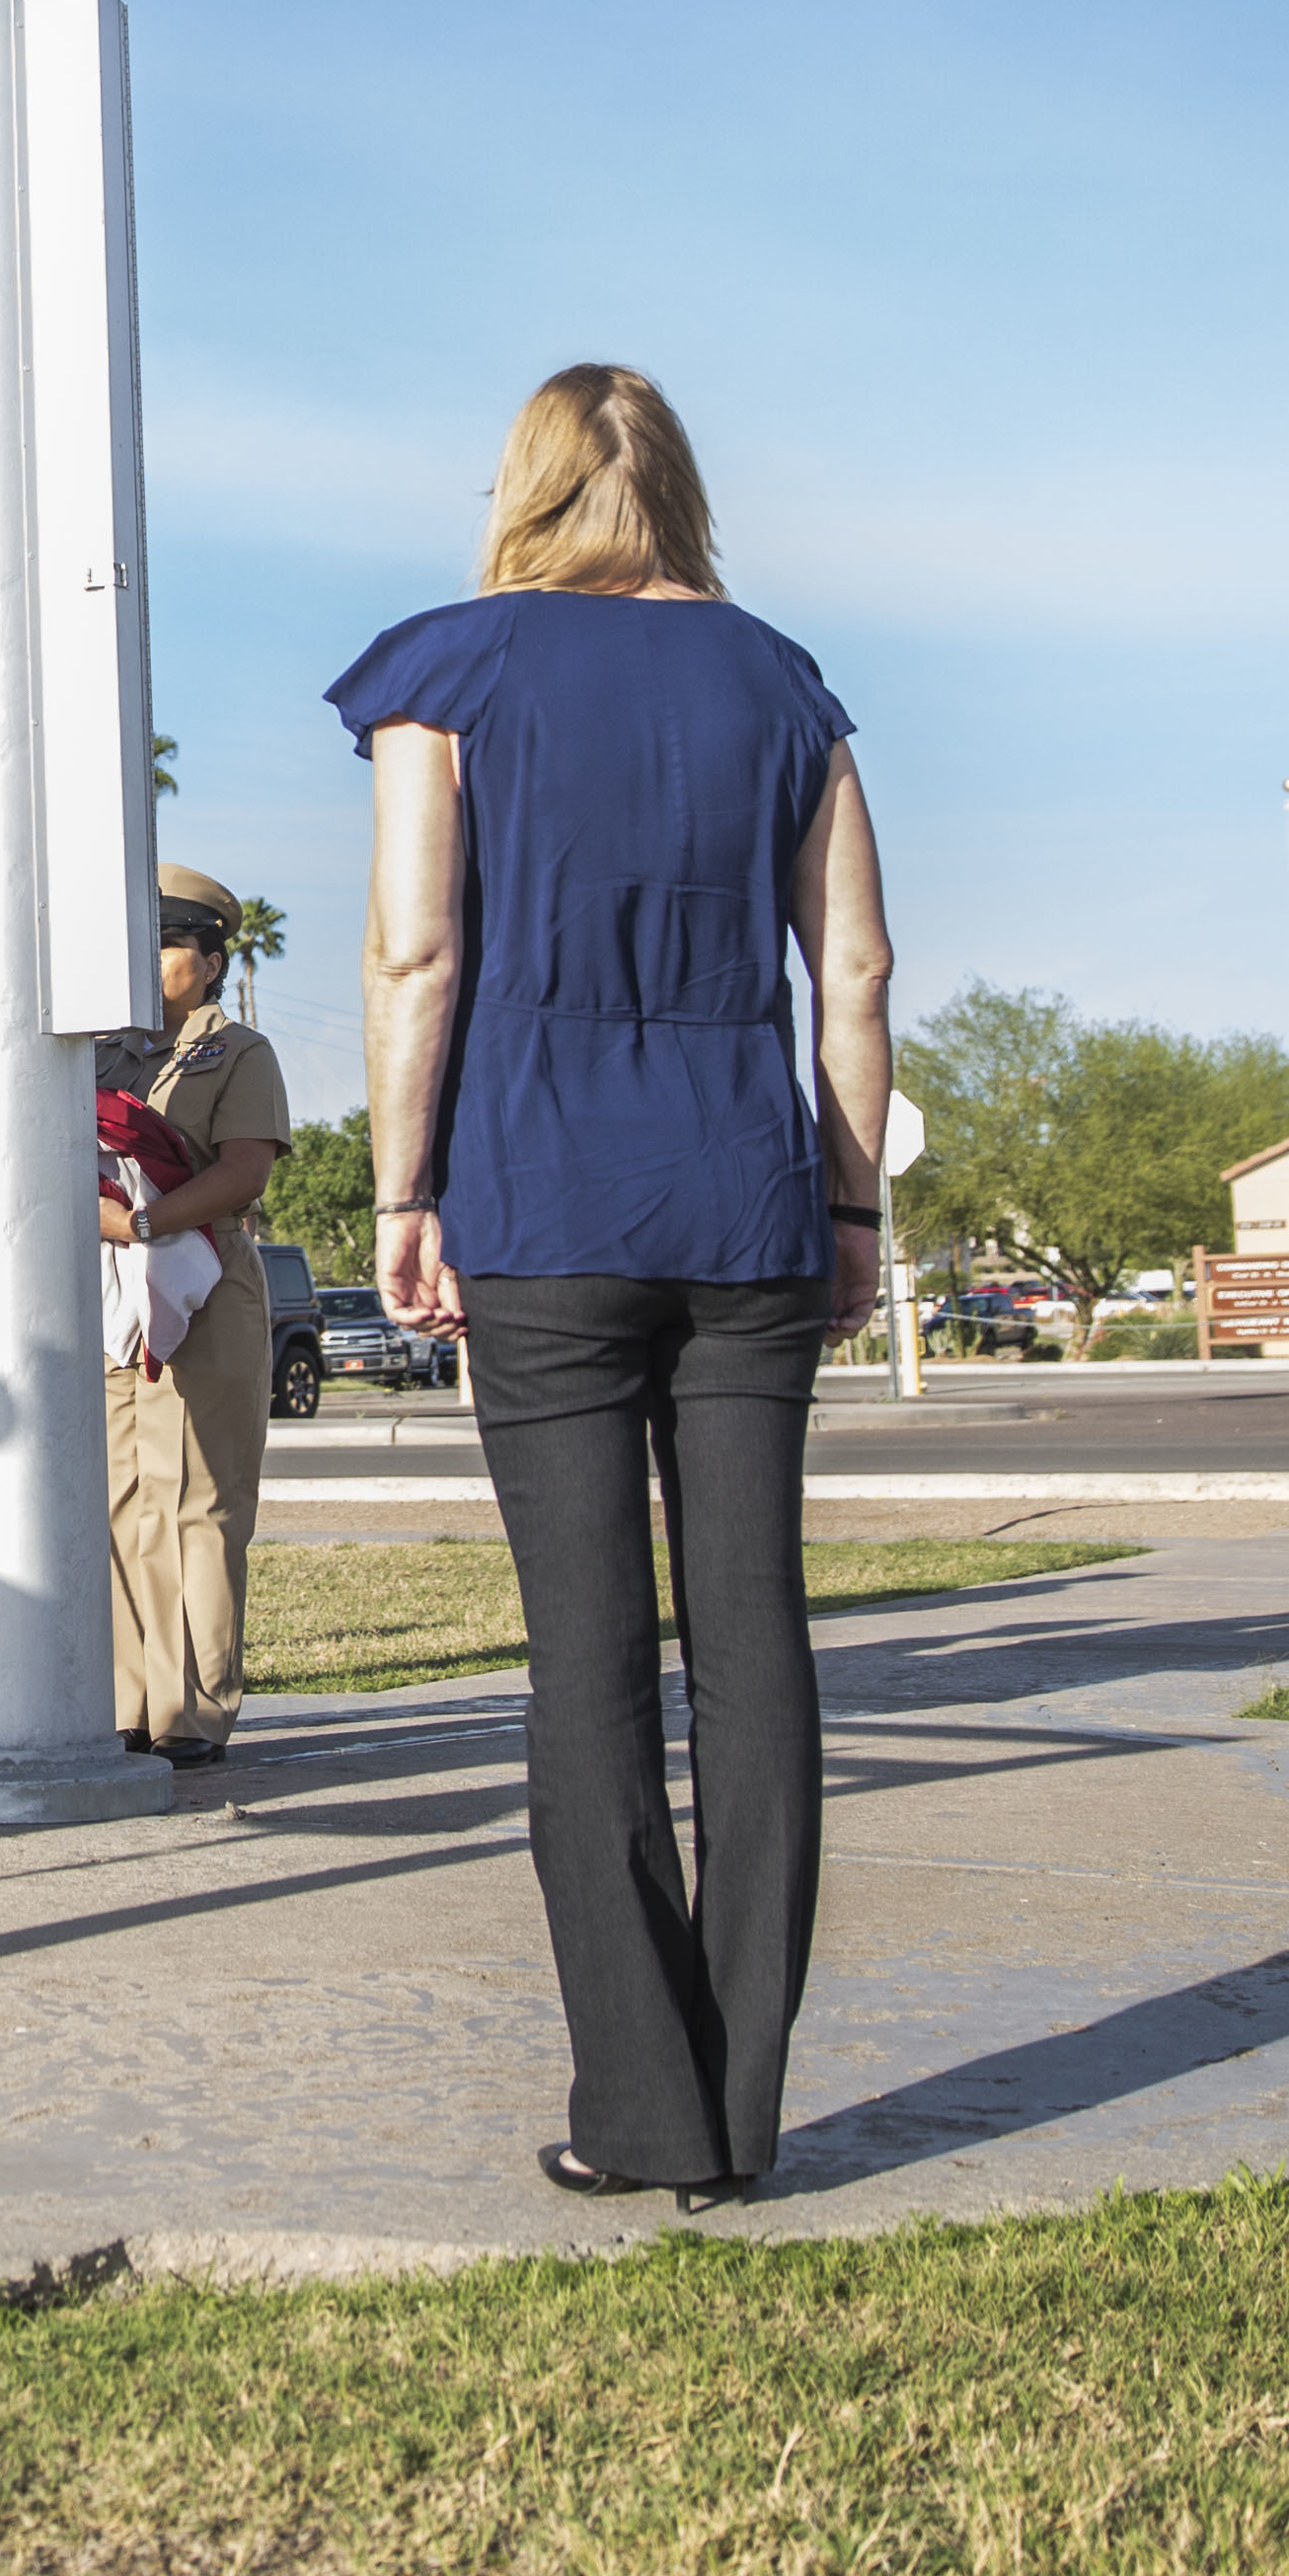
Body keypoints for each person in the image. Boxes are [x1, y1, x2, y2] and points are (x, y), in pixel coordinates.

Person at [332, 364, 890, 2204]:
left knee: (582, 1656)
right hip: (743, 1196)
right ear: (677, 487)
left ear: (524, 480)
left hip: (544, 1186)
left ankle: (639, 2109)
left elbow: (417, 947)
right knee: (752, 1642)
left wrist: (400, 1182)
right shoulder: (781, 680)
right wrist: (851, 1208)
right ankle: (740, 2112)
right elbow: (858, 971)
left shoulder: (452, 666)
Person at [101, 863, 290, 1767]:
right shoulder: (107, 1048)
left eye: (172, 943)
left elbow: (244, 1168)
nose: (154, 958)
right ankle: (123, 1700)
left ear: (211, 962)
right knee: (118, 1498)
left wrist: (140, 1222)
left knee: (197, 1500)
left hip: (202, 1282)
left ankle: (190, 1709)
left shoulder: (236, 1051)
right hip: (112, 1299)